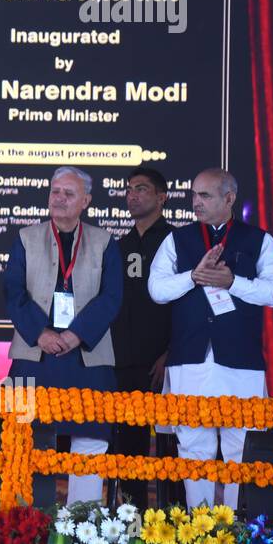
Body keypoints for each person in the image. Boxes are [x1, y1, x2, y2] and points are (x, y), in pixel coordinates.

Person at [148, 168, 273, 508]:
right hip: (190, 360)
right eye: (194, 195)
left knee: (241, 448)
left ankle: (238, 533)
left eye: (205, 196)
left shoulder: (260, 240)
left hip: (239, 363)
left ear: (229, 198)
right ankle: (201, 528)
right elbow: (157, 289)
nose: (196, 202)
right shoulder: (177, 240)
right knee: (193, 448)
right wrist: (193, 277)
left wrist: (233, 283)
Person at [4, 166, 122, 505]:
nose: (60, 198)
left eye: (69, 193)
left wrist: (76, 335)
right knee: (28, 438)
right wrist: (39, 333)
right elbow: (12, 292)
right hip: (35, 355)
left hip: (87, 357)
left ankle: (81, 528)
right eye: (55, 191)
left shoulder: (105, 242)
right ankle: (29, 528)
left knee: (90, 440)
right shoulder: (27, 237)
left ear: (85, 200)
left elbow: (111, 297)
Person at [109, 166, 174, 509]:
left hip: (165, 363)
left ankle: (175, 524)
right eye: (129, 189)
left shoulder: (178, 242)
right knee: (128, 449)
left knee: (171, 448)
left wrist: (171, 354)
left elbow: (187, 306)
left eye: (141, 189)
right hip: (124, 363)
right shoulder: (118, 245)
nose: (132, 194)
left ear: (162, 197)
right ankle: (131, 527)